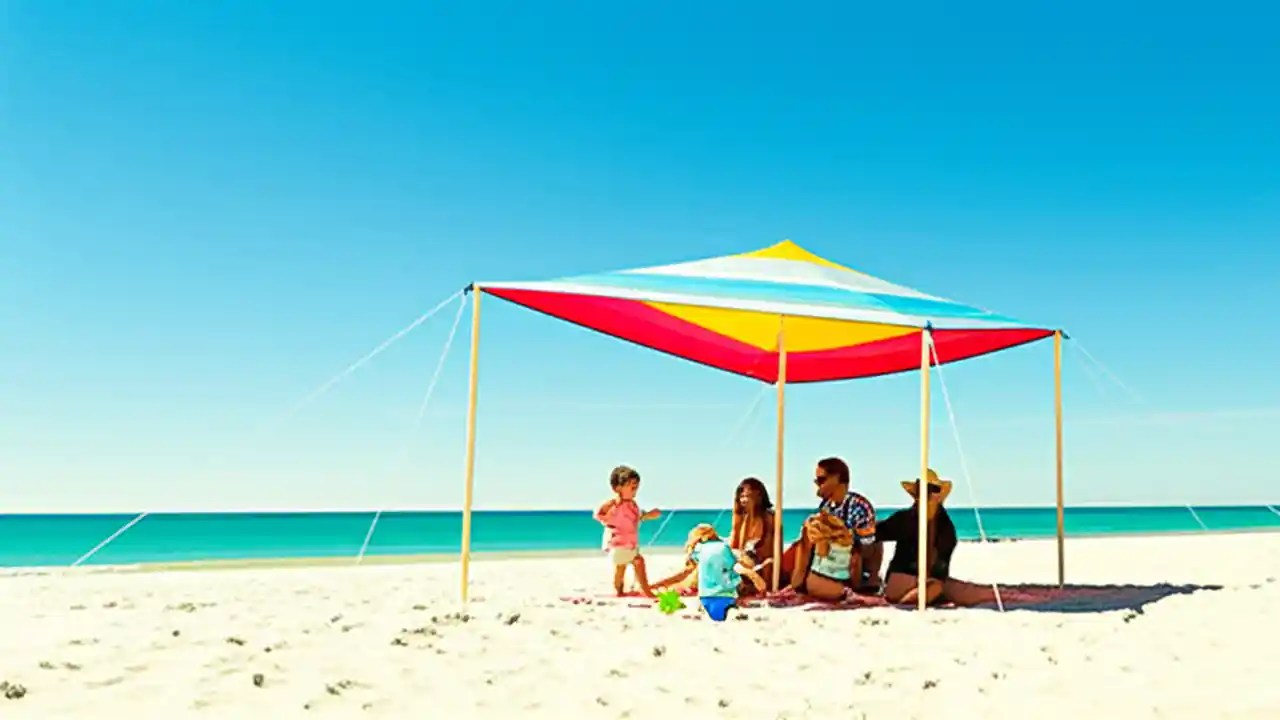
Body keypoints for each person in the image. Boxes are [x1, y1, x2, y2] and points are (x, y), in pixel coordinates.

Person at [779, 457, 883, 596]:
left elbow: (867, 549)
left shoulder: (859, 507)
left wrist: (839, 536)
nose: (818, 486)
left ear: (837, 478)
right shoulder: (826, 506)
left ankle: (800, 584)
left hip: (852, 563)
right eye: (817, 481)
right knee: (804, 535)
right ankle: (796, 583)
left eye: (821, 480)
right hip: (830, 561)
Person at [650, 524, 767, 621]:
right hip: (729, 595)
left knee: (706, 607)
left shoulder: (699, 550)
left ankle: (704, 610)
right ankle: (731, 610)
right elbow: (740, 568)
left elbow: (683, 574)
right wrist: (754, 576)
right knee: (728, 606)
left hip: (706, 597)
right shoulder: (725, 548)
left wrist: (656, 585)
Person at [593, 465, 661, 597]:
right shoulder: (615, 504)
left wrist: (650, 515)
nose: (635, 491)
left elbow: (637, 518)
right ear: (617, 488)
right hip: (618, 544)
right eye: (632, 488)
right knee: (634, 564)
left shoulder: (633, 505)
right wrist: (612, 502)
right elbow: (598, 514)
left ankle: (621, 591)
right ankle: (645, 591)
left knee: (624, 568)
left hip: (630, 544)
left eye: (636, 488)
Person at [728, 477, 775, 578]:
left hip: (759, 564)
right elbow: (735, 546)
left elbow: (767, 552)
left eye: (748, 496)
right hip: (742, 561)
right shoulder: (742, 518)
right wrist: (736, 523)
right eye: (741, 497)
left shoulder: (769, 518)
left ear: (759, 495)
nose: (744, 500)